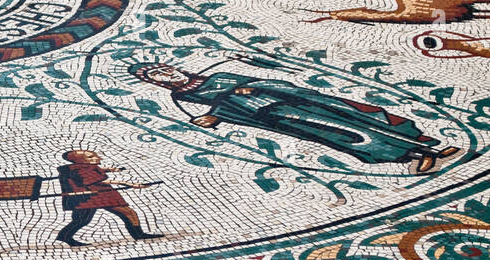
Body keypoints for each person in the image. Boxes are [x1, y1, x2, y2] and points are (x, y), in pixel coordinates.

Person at [131, 62, 459, 173]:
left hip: (297, 101)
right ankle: (409, 157)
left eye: (163, 70)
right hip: (277, 116)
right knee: (339, 134)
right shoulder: (183, 97)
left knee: (356, 115)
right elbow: (209, 114)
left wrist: (248, 89)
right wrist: (218, 112)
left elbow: (274, 83)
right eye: (156, 78)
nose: (164, 76)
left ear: (173, 68)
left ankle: (427, 144)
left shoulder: (220, 73)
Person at [55, 150, 160, 247]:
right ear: (80, 161)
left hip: (97, 195)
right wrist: (129, 184)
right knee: (82, 220)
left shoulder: (79, 167)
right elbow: (96, 180)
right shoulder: (80, 169)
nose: (99, 158)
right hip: (91, 197)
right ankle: (65, 236)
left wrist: (110, 169)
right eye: (91, 157)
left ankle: (139, 234)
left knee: (83, 219)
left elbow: (94, 170)